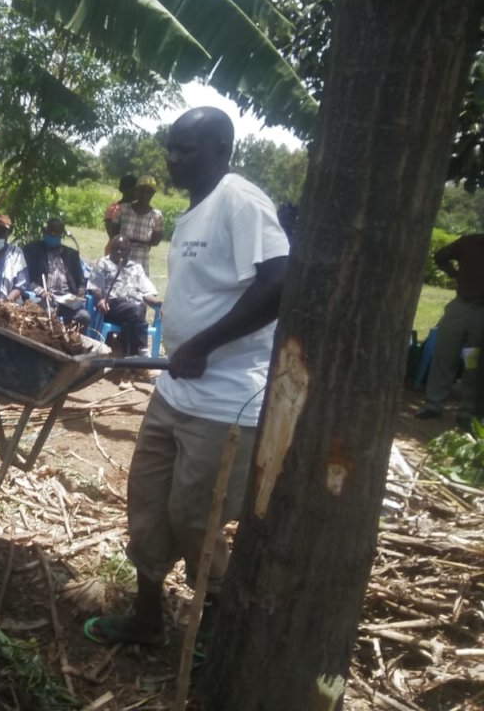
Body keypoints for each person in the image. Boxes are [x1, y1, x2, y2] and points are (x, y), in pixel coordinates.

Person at [84, 107, 289, 647]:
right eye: (171, 147)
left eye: (187, 149)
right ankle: (148, 619)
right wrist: (185, 350)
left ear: (222, 148)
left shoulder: (240, 200)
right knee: (148, 507)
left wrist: (202, 344)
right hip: (174, 391)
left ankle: (220, 640)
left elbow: (277, 284)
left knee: (196, 518)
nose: (173, 158)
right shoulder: (192, 212)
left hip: (226, 400)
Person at [414, 234, 484, 428]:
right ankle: (433, 404)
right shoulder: (469, 242)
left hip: (481, 315)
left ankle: (467, 411)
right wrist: (454, 274)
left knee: (473, 361)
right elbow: (440, 256)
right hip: (461, 306)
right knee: (445, 354)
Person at [88, 235, 161, 357]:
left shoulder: (136, 268)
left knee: (134, 316)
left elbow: (147, 293)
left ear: (129, 251)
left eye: (122, 249)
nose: (119, 252)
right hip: (111, 306)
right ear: (110, 249)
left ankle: (131, 359)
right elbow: (95, 287)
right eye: (116, 249)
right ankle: (142, 347)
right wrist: (100, 299)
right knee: (136, 310)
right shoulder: (104, 264)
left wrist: (160, 304)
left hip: (132, 313)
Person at [23, 217, 89, 328]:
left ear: (61, 235)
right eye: (50, 232)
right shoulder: (32, 251)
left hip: (67, 300)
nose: (52, 235)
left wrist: (80, 292)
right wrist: (41, 291)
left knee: (84, 316)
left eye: (56, 233)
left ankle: (70, 341)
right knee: (49, 314)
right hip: (47, 298)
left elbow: (81, 281)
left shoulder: (71, 255)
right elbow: (27, 278)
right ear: (44, 232)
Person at [118, 175, 164, 275]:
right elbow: (114, 234)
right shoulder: (123, 209)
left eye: (149, 192)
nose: (144, 195)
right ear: (137, 190)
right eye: (142, 191)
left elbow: (156, 241)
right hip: (121, 257)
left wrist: (142, 243)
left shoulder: (156, 215)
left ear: (153, 194)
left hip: (141, 260)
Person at [103, 174, 137, 241]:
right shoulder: (113, 209)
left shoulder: (137, 209)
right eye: (135, 189)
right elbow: (112, 235)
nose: (138, 192)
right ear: (125, 190)